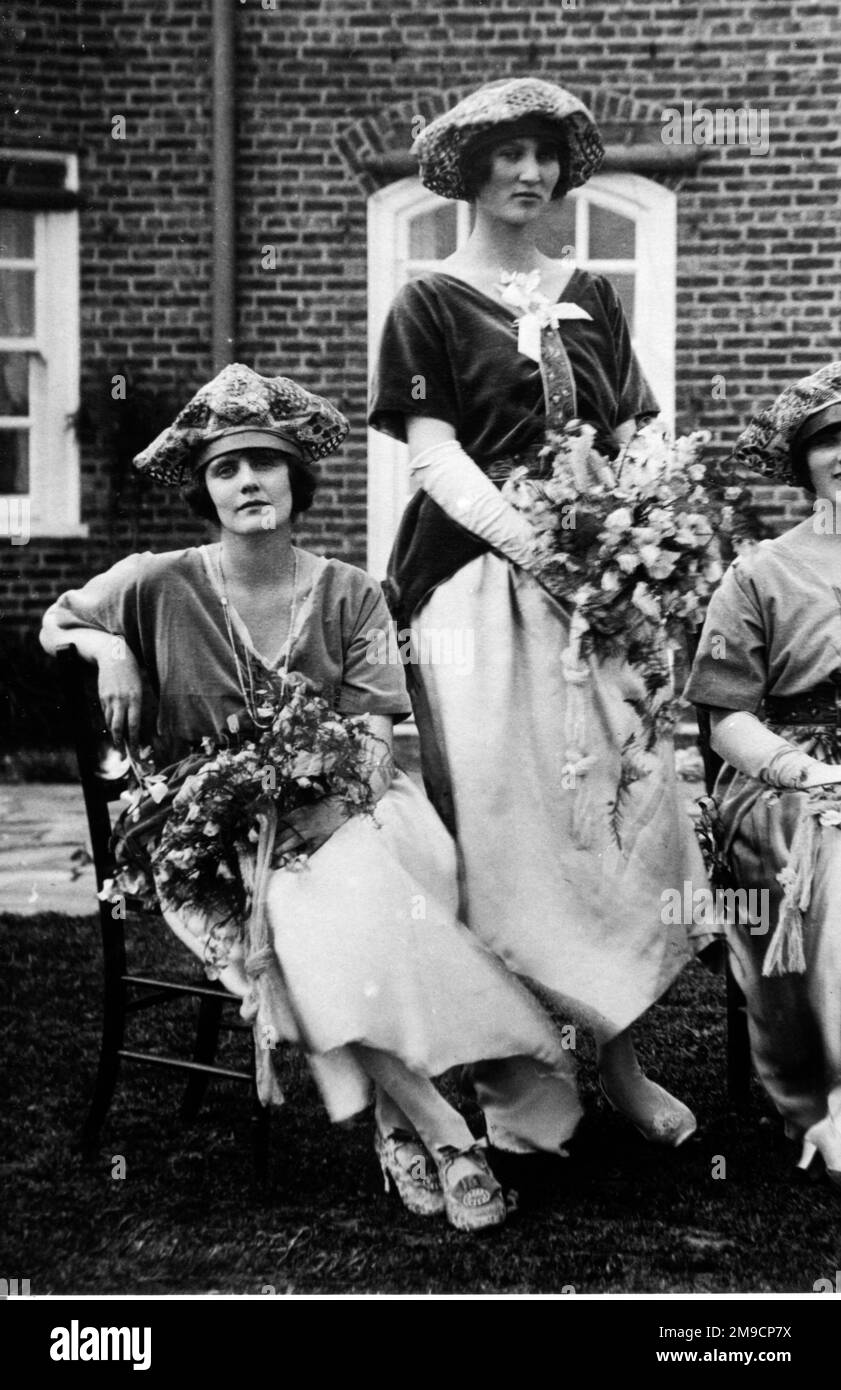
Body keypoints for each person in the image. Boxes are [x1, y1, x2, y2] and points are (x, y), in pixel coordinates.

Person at [40, 363, 578, 1232]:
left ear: (297, 479)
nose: (248, 480)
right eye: (226, 468)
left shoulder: (353, 593)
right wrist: (111, 652)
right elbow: (56, 622)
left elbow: (371, 742)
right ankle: (439, 1130)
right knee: (298, 918)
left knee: (379, 873)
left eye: (266, 463)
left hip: (344, 805)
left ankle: (402, 1129)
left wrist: (318, 818)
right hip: (203, 836)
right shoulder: (153, 581)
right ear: (205, 491)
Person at [369, 76, 712, 1162]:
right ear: (468, 172)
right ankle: (521, 1083)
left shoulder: (591, 294)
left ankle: (616, 1057)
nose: (530, 173)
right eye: (507, 155)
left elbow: (638, 430)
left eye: (546, 156)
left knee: (624, 816)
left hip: (600, 594)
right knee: (507, 829)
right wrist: (544, 547)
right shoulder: (427, 300)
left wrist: (640, 525)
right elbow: (434, 457)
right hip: (471, 590)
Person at [686, 362, 841, 1189]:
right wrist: (803, 771)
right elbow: (725, 720)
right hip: (786, 778)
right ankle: (830, 1099)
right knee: (831, 844)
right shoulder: (758, 574)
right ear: (803, 464)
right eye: (830, 440)